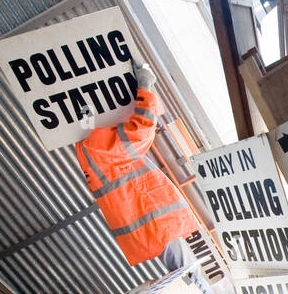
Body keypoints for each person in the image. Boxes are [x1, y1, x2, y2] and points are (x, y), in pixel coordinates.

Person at [75, 64, 198, 269]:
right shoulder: (103, 147)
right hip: (154, 224)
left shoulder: (87, 150)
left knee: (188, 270)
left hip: (146, 228)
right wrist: (145, 83)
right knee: (190, 272)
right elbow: (144, 127)